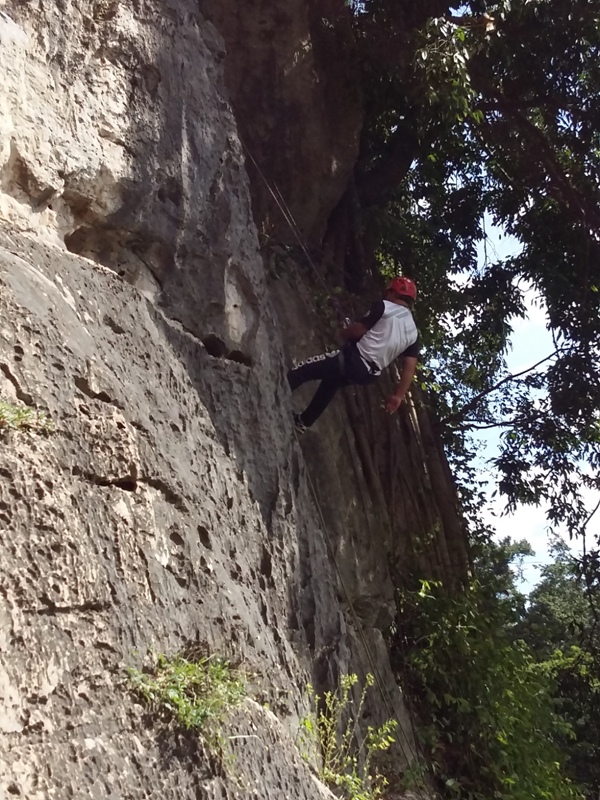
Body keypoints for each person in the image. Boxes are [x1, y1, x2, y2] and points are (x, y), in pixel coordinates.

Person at [288, 276, 419, 433]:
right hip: (368, 374)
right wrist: (398, 396)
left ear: (392, 292)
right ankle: (303, 422)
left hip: (355, 359)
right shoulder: (413, 332)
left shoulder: (385, 307)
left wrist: (343, 332)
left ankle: (278, 389)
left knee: (305, 370)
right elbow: (409, 367)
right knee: (331, 383)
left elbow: (358, 331)